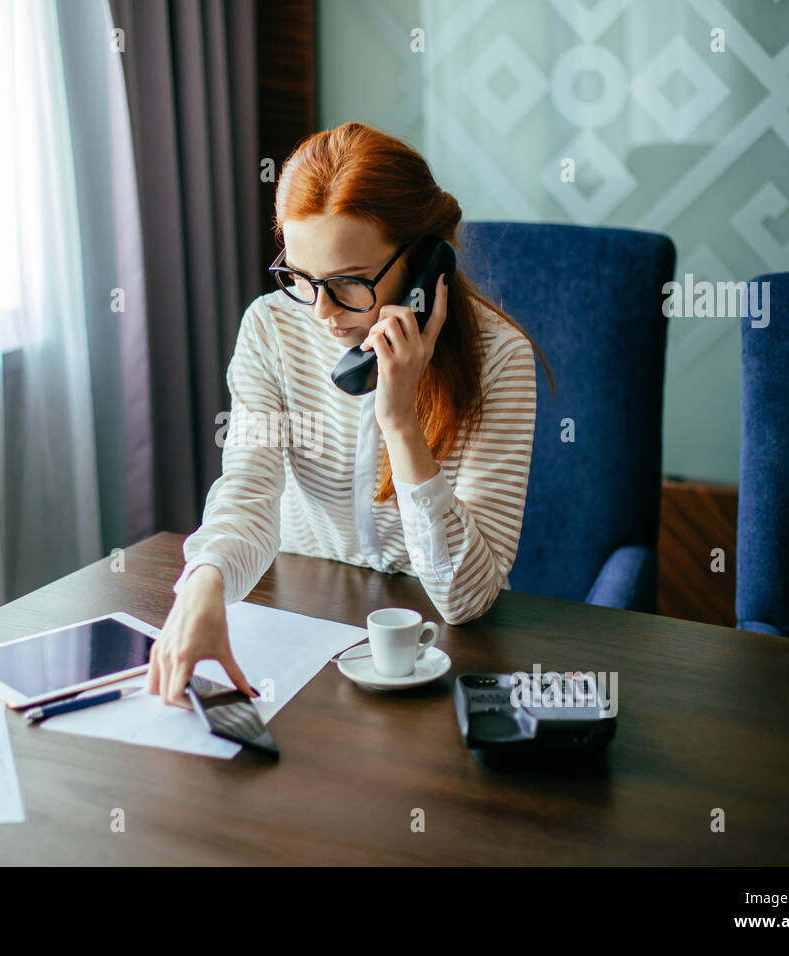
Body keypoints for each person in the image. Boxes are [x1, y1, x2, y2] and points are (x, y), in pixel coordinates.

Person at [145, 121, 546, 709]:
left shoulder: (500, 358)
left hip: (443, 656)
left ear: (425, 261)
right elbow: (250, 488)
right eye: (302, 279)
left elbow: (464, 597)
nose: (323, 314)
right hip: (306, 630)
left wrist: (401, 421)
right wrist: (203, 584)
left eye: (349, 283)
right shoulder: (271, 329)